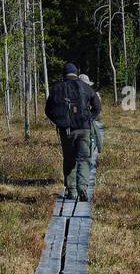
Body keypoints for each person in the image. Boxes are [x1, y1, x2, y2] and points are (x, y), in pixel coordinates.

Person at [44, 61, 102, 201]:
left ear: (63, 73)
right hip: (84, 129)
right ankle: (82, 187)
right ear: (76, 73)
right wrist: (90, 119)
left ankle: (71, 191)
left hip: (66, 131)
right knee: (84, 159)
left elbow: (48, 110)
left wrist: (59, 122)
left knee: (69, 160)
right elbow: (97, 107)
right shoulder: (85, 87)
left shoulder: (56, 88)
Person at [80, 72, 105, 157]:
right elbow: (97, 107)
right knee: (95, 129)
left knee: (95, 129)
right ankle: (99, 147)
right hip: (87, 118)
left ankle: (99, 147)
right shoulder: (90, 91)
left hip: (84, 117)